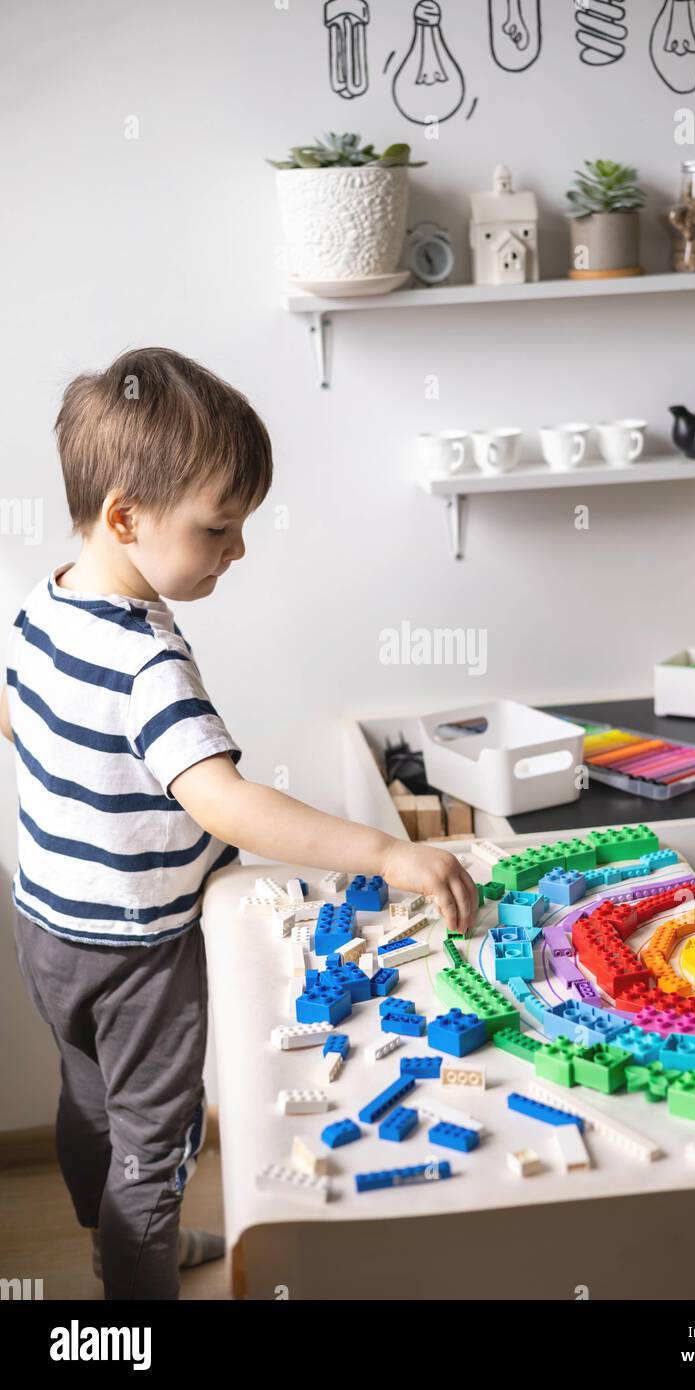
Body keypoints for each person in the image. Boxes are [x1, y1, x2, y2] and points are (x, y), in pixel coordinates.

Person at [0, 346, 477, 1300]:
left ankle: (110, 1246)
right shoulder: (148, 667)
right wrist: (386, 849)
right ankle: (133, 1298)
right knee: (157, 1139)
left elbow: (16, 710)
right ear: (127, 517)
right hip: (137, 949)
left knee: (88, 1100)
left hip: (45, 925)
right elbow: (220, 797)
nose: (239, 550)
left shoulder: (40, 607)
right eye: (220, 528)